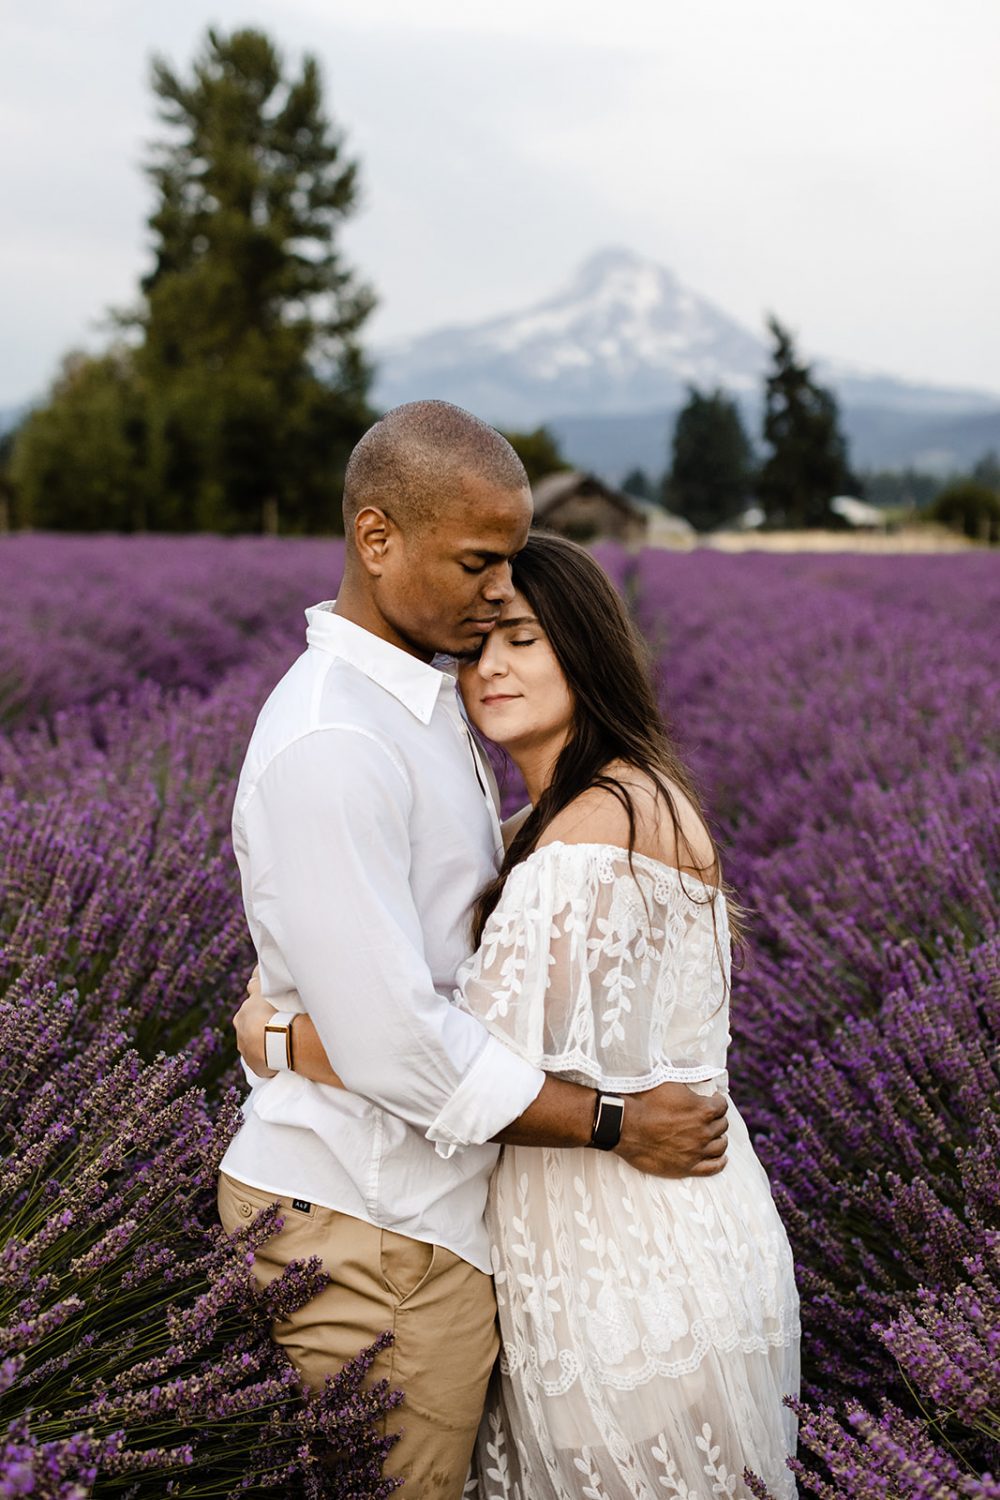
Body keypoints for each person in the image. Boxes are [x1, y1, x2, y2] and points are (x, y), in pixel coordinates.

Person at [217, 401, 730, 1499]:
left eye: (515, 581)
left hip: (430, 1219)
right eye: (478, 564)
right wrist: (612, 1123)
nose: (502, 591)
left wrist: (275, 1032)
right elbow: (399, 1043)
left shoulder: (421, 703)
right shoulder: (337, 741)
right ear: (376, 539)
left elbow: (465, 927)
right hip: (375, 1219)